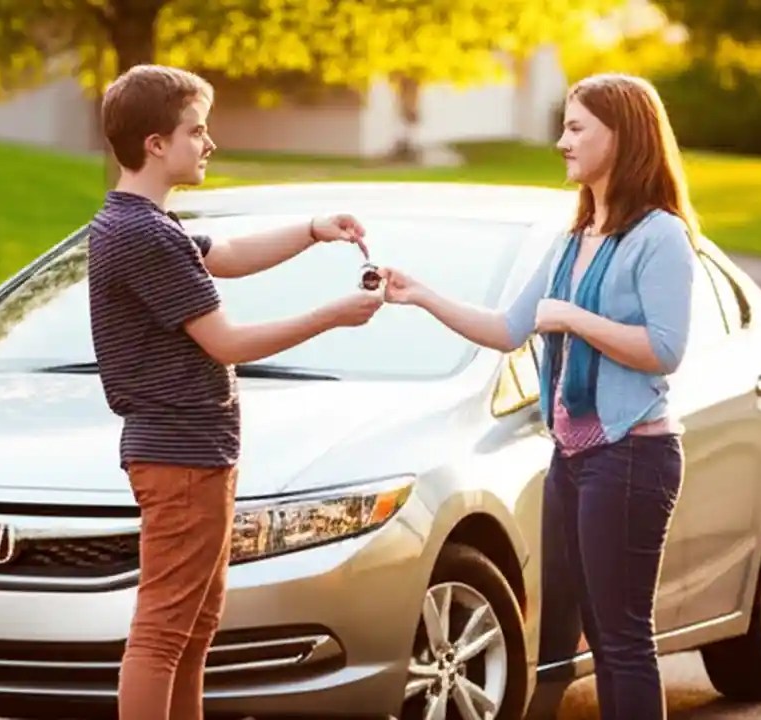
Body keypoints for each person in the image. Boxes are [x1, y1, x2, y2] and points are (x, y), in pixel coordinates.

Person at [378, 73, 699, 720]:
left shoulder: (659, 237)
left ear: (623, 135)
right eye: (564, 125)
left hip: (632, 457)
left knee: (623, 638)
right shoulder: (570, 241)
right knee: (581, 637)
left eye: (577, 128)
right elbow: (507, 329)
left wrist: (573, 318)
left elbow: (664, 349)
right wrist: (422, 294)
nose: (562, 141)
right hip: (574, 459)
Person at [87, 64, 384, 720]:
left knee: (194, 627)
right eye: (197, 131)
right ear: (156, 145)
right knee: (165, 629)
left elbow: (228, 252)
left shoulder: (144, 226)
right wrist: (331, 315)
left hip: (196, 452)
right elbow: (227, 342)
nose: (209, 143)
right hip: (180, 453)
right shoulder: (141, 235)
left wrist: (313, 228)